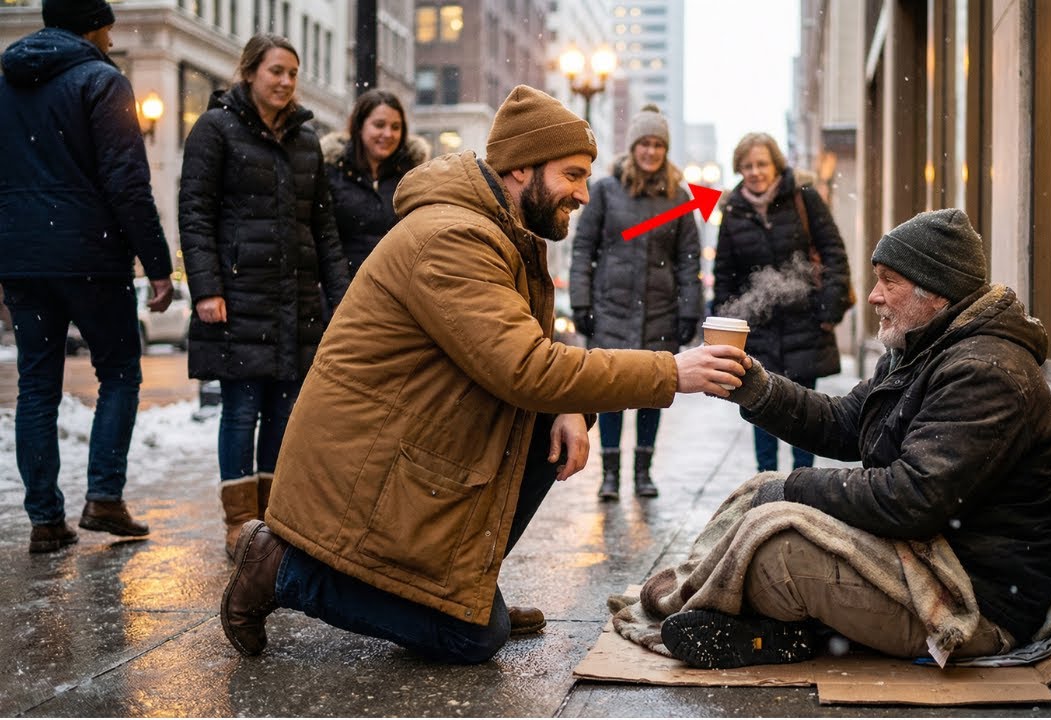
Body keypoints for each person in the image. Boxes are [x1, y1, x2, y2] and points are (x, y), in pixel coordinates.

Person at [217, 85, 750, 662]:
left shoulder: (502, 231)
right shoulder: (454, 237)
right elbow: (526, 367)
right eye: (572, 174)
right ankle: (280, 569)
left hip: (416, 437)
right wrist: (672, 371)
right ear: (522, 168)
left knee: (560, 419)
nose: (582, 193)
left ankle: (464, 588)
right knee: (473, 638)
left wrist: (568, 404)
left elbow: (525, 350)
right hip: (364, 465)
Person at [660, 209, 1051, 669]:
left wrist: (795, 489)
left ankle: (764, 622)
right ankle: (752, 618)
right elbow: (843, 423)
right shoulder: (919, 350)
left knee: (779, 550)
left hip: (971, 599)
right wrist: (757, 387)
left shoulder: (984, 372)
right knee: (757, 496)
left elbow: (912, 498)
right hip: (923, 558)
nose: (873, 296)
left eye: (889, 281)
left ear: (936, 291)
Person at [0, 0, 174, 554]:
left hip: (23, 257)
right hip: (91, 256)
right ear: (93, 26)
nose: (112, 40)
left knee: (37, 385)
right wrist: (158, 264)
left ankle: (45, 519)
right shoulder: (102, 82)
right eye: (108, 28)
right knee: (119, 372)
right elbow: (127, 183)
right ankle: (103, 496)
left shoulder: (6, 83)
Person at [179, 33, 350, 559]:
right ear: (250, 71)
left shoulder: (306, 141)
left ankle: (271, 521)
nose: (286, 81)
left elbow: (324, 228)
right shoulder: (215, 129)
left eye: (292, 73)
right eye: (276, 70)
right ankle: (239, 522)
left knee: (283, 413)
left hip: (295, 300)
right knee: (240, 410)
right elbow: (195, 211)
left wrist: (342, 298)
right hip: (239, 296)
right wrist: (207, 288)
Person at [569, 104, 702, 500]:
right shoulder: (605, 191)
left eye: (658, 145)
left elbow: (688, 260)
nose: (650, 151)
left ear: (665, 149)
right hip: (610, 309)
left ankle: (643, 473)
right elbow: (583, 249)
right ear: (632, 147)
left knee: (653, 391)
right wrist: (580, 303)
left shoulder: (679, 196)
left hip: (660, 311)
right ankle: (610, 475)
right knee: (609, 391)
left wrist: (690, 310)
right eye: (644, 143)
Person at [712, 132, 852, 474]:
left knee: (806, 413)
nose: (755, 172)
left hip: (805, 322)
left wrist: (828, 309)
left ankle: (803, 485)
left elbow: (833, 252)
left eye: (762, 164)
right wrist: (724, 325)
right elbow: (725, 273)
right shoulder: (733, 209)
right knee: (759, 405)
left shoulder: (804, 197)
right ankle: (767, 483)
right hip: (756, 329)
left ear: (776, 165)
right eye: (747, 166)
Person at [321, 89, 429, 276]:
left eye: (396, 127)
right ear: (359, 126)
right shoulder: (332, 172)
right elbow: (327, 241)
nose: (388, 134)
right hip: (347, 284)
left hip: (397, 283)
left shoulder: (413, 176)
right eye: (379, 125)